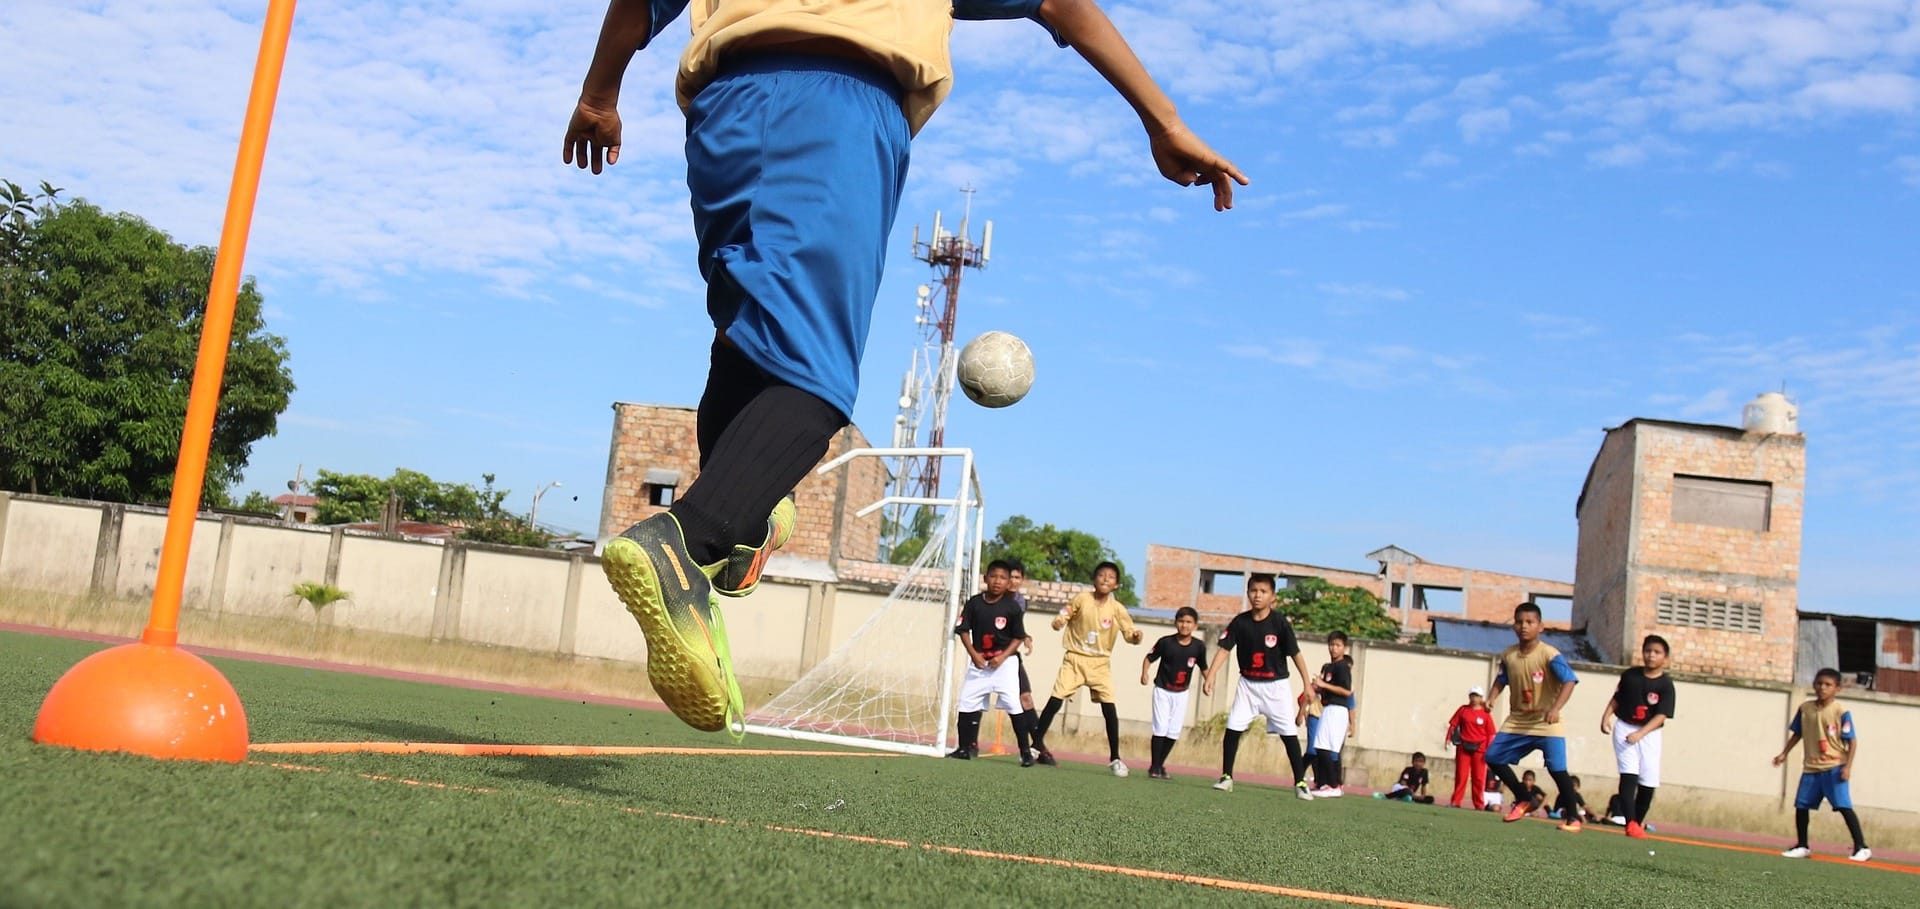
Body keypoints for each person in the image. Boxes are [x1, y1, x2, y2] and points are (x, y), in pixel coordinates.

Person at [567, 0, 1247, 736]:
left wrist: (598, 97)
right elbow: (1060, 6)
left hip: (723, 118)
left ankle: (743, 526)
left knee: (749, 336)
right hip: (836, 106)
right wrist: (1163, 120)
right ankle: (686, 542)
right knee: (814, 378)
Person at [1200, 573, 1316, 799]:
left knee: (1289, 734)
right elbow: (1224, 649)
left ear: (1272, 596)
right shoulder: (1240, 622)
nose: (1257, 596)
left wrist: (1306, 684)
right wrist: (1211, 675)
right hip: (1248, 686)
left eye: (1263, 592)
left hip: (1276, 686)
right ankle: (1226, 777)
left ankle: (1300, 782)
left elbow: (1296, 654)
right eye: (1253, 591)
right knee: (1233, 728)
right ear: (1247, 593)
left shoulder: (1280, 623)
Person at [1031, 562, 1144, 775]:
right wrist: (1058, 622)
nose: (1105, 579)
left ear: (1116, 585)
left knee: (1109, 707)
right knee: (1055, 700)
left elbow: (1130, 632)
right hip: (1074, 659)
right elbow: (1065, 613)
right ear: (1094, 579)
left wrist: (1136, 637)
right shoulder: (1082, 599)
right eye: (1101, 575)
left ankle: (1115, 758)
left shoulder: (1117, 609)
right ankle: (1035, 746)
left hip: (1100, 663)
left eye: (1110, 577)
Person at [1484, 602, 1580, 828]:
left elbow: (1570, 681)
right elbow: (1502, 678)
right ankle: (1524, 798)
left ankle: (1574, 818)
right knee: (1493, 757)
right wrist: (1492, 697)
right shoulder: (1509, 655)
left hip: (1546, 722)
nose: (1524, 626)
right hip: (1518, 720)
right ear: (1514, 626)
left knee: (1557, 769)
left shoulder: (1549, 655)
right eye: (1519, 622)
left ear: (1541, 626)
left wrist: (1555, 709)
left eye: (1530, 622)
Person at [1772, 667, 1871, 862]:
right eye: (1819, 683)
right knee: (1801, 805)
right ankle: (1802, 845)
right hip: (1811, 767)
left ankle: (1861, 847)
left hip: (1834, 766)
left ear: (1837, 689)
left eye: (1828, 685)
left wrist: (1847, 767)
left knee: (1843, 806)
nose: (1822, 688)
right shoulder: (1805, 709)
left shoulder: (1840, 711)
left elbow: (1852, 741)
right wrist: (1784, 753)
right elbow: (1798, 734)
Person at [946, 560, 1036, 763]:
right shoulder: (974, 603)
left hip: (1005, 665)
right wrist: (973, 654)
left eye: (1003, 578)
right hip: (980, 664)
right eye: (993, 576)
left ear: (1008, 583)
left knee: (1014, 705)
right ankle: (963, 748)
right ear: (985, 578)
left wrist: (1003, 656)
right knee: (966, 703)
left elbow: (1018, 637)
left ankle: (1025, 753)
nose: (997, 581)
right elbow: (962, 630)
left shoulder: (1012, 608)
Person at [1602, 634, 1675, 839]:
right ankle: (1630, 823)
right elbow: (1617, 698)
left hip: (1650, 734)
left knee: (1648, 781)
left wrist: (1641, 733)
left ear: (1665, 658)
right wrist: (1606, 717)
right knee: (1629, 775)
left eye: (1657, 652)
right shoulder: (1630, 676)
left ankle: (1637, 821)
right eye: (1648, 651)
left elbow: (1661, 715)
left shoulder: (1666, 685)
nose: (1651, 655)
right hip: (1625, 728)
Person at [1140, 606, 1209, 780]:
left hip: (1182, 693)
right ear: (1175, 623)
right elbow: (1149, 658)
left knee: (1173, 731)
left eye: (1188, 622)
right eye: (1181, 621)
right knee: (1161, 727)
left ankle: (1159, 765)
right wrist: (1145, 673)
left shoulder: (1198, 647)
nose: (1184, 625)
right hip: (1163, 689)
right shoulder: (1166, 642)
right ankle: (1155, 767)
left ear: (1195, 625)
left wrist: (1208, 682)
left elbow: (1204, 667)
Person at [1307, 632, 1355, 797]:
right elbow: (1326, 687)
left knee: (1324, 746)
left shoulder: (1343, 667)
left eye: (1338, 645)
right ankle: (1331, 784)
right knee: (1322, 747)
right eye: (1331, 645)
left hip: (1337, 709)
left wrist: (1324, 685)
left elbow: (1346, 691)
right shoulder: (1329, 667)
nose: (1334, 648)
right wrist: (1319, 687)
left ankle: (1332, 785)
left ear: (1344, 648)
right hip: (1328, 708)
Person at [1445, 686, 1495, 809]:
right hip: (1463, 747)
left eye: (1477, 696)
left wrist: (1489, 749)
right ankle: (1456, 801)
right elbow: (1453, 725)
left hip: (1480, 749)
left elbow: (1491, 733)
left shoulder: (1485, 714)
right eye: (1472, 695)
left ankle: (1479, 804)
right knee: (1461, 776)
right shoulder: (1463, 710)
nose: (1474, 698)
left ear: (1481, 698)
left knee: (1478, 778)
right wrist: (1447, 739)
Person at [1008, 560, 1038, 717]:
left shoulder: (1020, 602)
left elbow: (1015, 627)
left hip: (1009, 656)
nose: (1013, 581)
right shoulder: (992, 599)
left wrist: (1025, 636)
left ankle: (1037, 740)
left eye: (1017, 577)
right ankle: (968, 740)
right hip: (989, 655)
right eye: (1010, 577)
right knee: (976, 701)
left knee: (1025, 697)